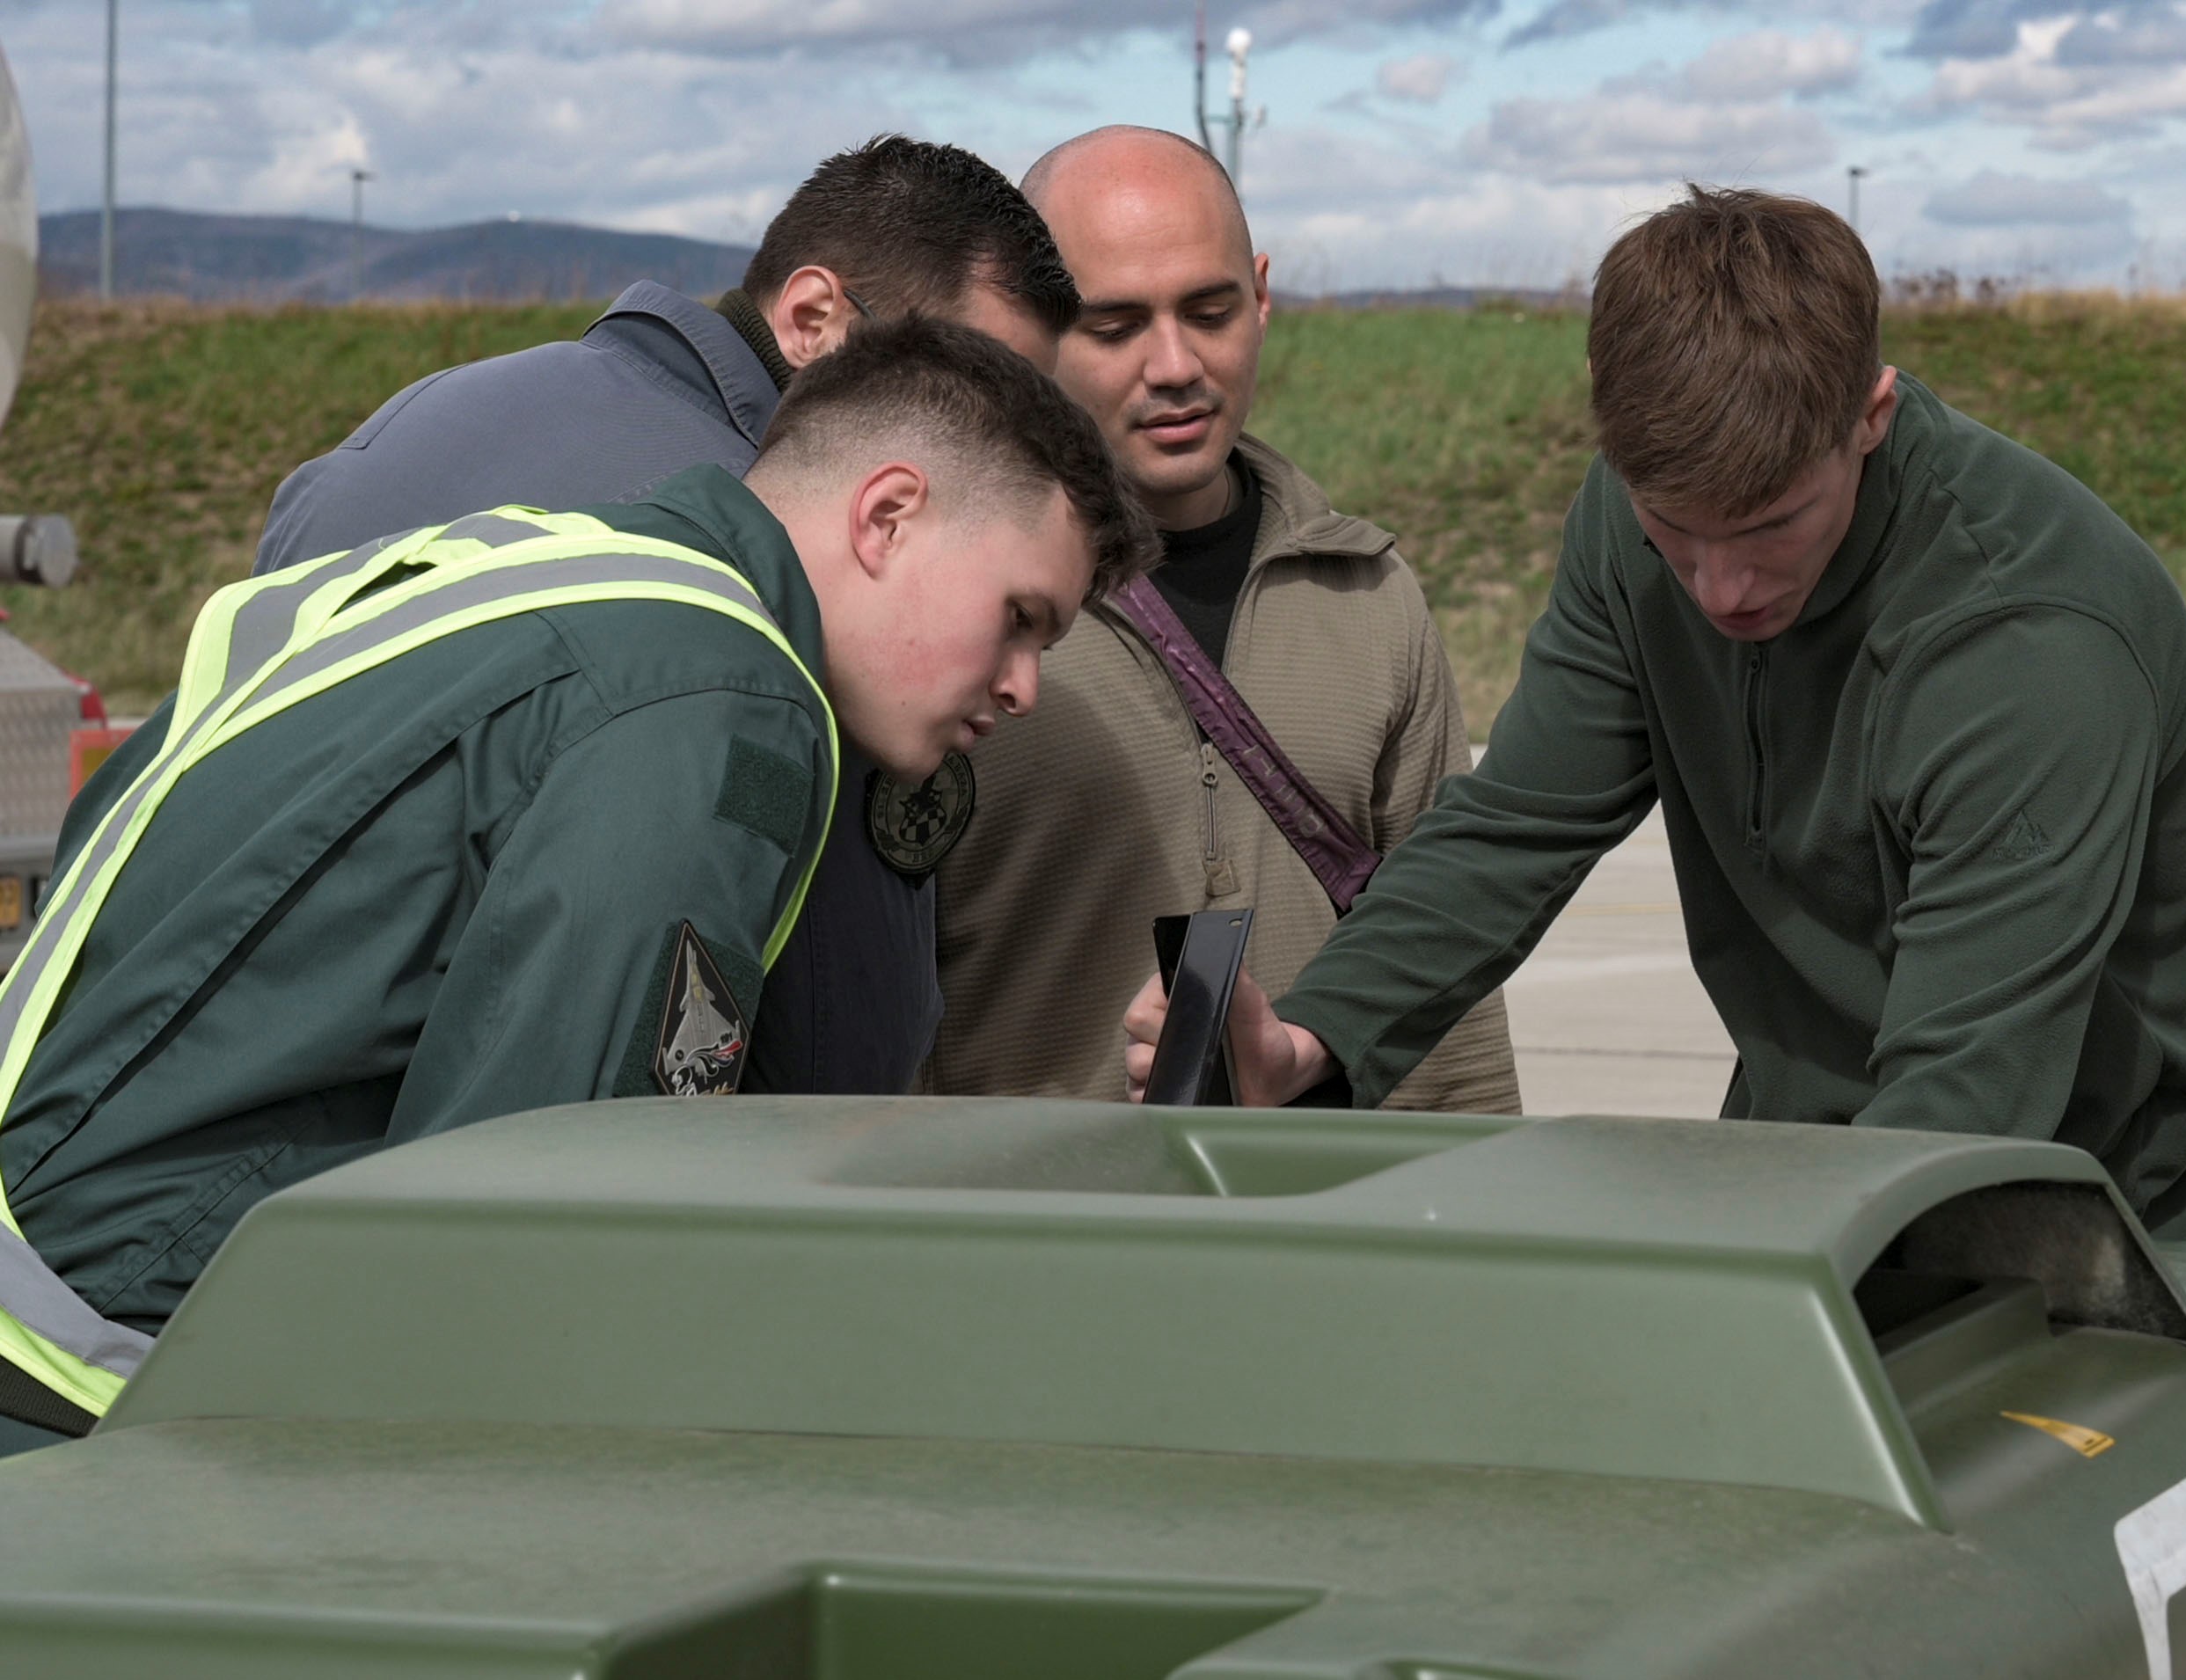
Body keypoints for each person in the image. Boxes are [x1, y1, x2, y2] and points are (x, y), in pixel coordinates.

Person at [0, 317, 1151, 1457]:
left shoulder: (529, 572)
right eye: (1018, 620)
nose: (1023, 689)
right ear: (888, 514)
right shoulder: (715, 699)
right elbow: (534, 1227)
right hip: (114, 1382)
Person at [1123, 186, 2186, 1236]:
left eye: (1771, 525)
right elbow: (1516, 825)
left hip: (2065, 1230)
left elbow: (1963, 1098)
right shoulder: (1631, 514)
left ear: (1870, 417)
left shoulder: (2031, 648)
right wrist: (1310, 1035)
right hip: (1795, 1173)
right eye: (1675, 528)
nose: (1718, 587)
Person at [252, 135, 1078, 1096]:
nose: (996, 447)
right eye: (970, 387)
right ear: (813, 317)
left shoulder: (404, 431)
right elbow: (837, 1032)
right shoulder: (782, 576)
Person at [925, 125, 1515, 1112]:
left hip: (1319, 1237)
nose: (1175, 365)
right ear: (1024, 330)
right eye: (1114, 327)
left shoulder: (1366, 595)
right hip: (1027, 1232)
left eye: (1210, 310)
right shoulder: (939, 609)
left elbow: (1443, 974)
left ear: (1263, 294)